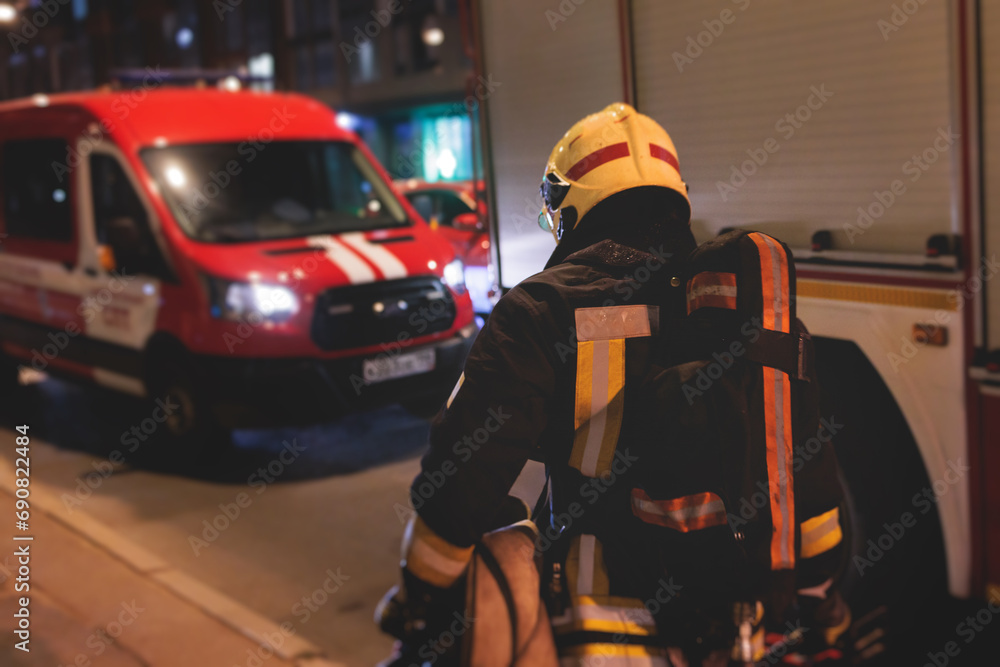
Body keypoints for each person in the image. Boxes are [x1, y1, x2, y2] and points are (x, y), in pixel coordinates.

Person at [377, 103, 850, 666]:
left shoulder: (538, 310)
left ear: (570, 206)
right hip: (741, 632)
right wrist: (822, 610)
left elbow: (462, 481)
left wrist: (419, 604)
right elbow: (808, 480)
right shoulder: (745, 318)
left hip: (603, 632)